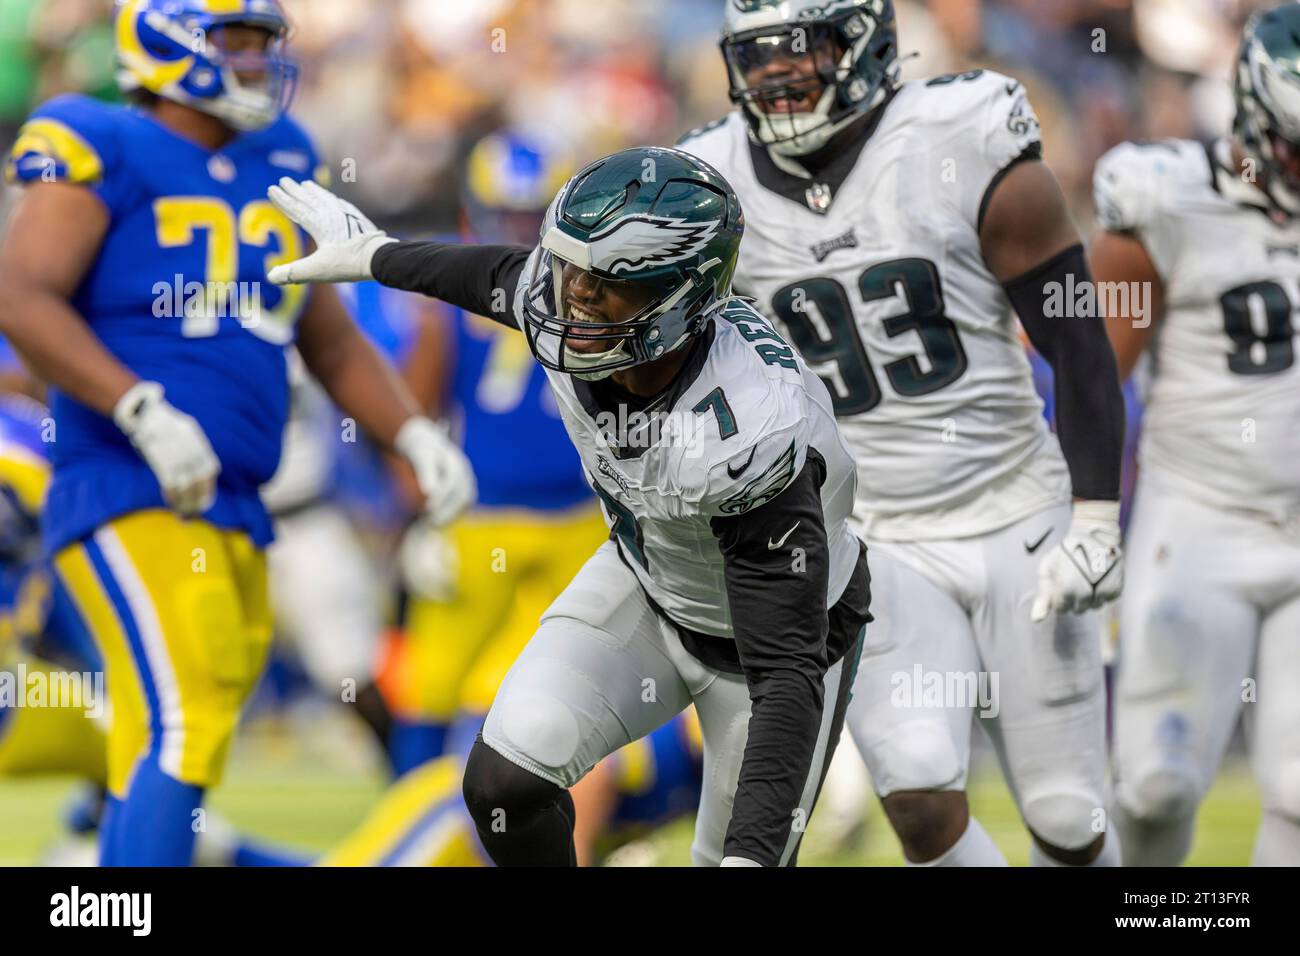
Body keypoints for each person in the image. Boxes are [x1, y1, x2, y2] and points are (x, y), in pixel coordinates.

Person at [264, 145, 873, 867]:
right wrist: (380, 256)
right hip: (649, 583)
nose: (572, 295)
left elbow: (784, 677)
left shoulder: (747, 430)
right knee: (503, 783)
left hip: (768, 651)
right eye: (569, 268)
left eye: (605, 282)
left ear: (679, 296)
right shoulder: (573, 301)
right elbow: (491, 275)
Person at [0, 0, 473, 866]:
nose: (257, 63)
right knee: (179, 711)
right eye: (237, 43)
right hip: (125, 484)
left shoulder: (278, 159)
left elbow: (326, 333)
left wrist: (410, 432)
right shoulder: (94, 138)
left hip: (238, 500)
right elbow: (22, 297)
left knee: (196, 719)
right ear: (167, 40)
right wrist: (138, 407)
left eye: (264, 45)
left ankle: (91, 871)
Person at [679, 0, 1125, 866]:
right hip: (875, 535)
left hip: (1015, 511)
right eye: (756, 54)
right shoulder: (711, 181)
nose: (774, 72)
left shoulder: (959, 135)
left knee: (1071, 820)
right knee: (918, 796)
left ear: (864, 40)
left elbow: (1079, 341)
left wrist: (1098, 518)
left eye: (799, 47)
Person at [1091, 2, 1300, 867]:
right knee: (1156, 782)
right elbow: (1095, 376)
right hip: (1199, 514)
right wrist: (1084, 516)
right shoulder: (1168, 196)